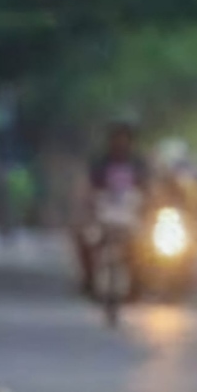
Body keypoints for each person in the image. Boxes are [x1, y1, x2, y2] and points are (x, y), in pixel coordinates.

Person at [73, 117, 150, 297]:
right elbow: (87, 188)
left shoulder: (138, 164)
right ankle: (89, 278)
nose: (121, 142)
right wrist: (86, 203)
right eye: (117, 137)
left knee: (144, 246)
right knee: (84, 237)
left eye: (124, 138)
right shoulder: (100, 162)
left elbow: (148, 189)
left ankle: (138, 281)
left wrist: (148, 204)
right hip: (104, 212)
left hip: (130, 214)